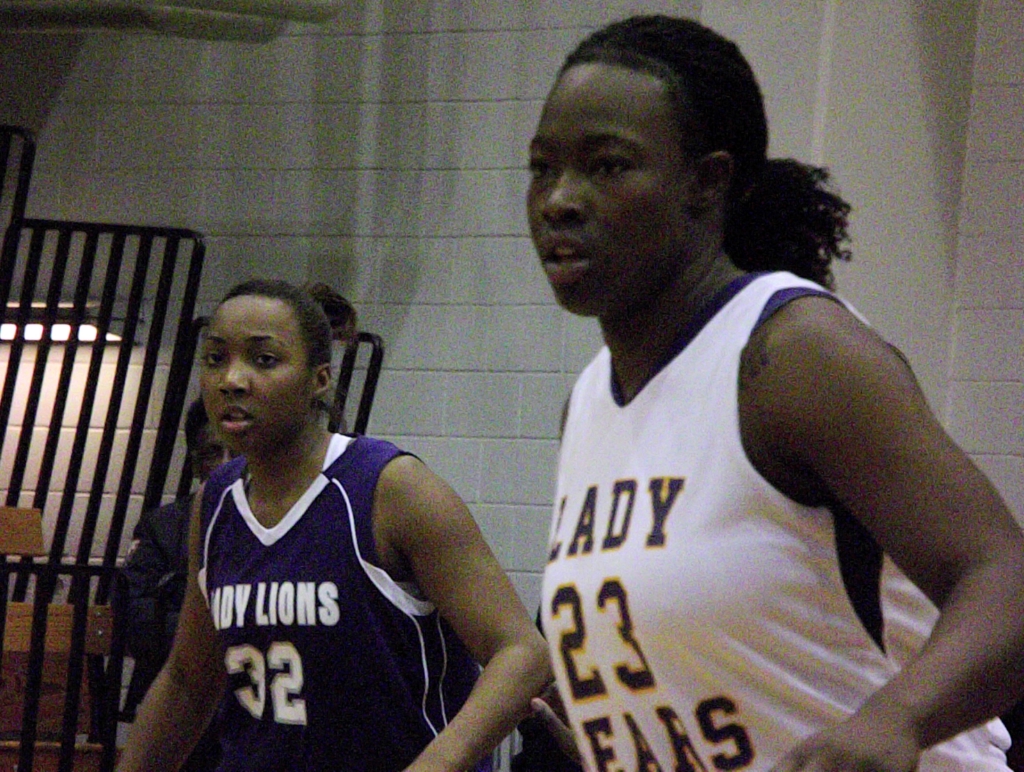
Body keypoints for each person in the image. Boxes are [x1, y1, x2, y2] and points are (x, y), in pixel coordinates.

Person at [527, 14, 1024, 772]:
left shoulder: (790, 355)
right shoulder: (590, 400)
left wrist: (897, 717)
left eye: (607, 166)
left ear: (707, 182)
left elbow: (1005, 577)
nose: (559, 198)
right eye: (542, 167)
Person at [116, 278, 551, 772]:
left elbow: (522, 653)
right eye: (215, 358)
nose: (231, 380)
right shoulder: (217, 502)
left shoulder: (389, 488)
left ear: (319, 379)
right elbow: (188, 682)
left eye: (263, 359)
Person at [120, 397, 230, 772]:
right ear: (197, 462)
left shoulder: (283, 524)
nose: (228, 462)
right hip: (185, 705)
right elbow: (138, 626)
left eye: (236, 450)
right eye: (214, 451)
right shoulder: (163, 528)